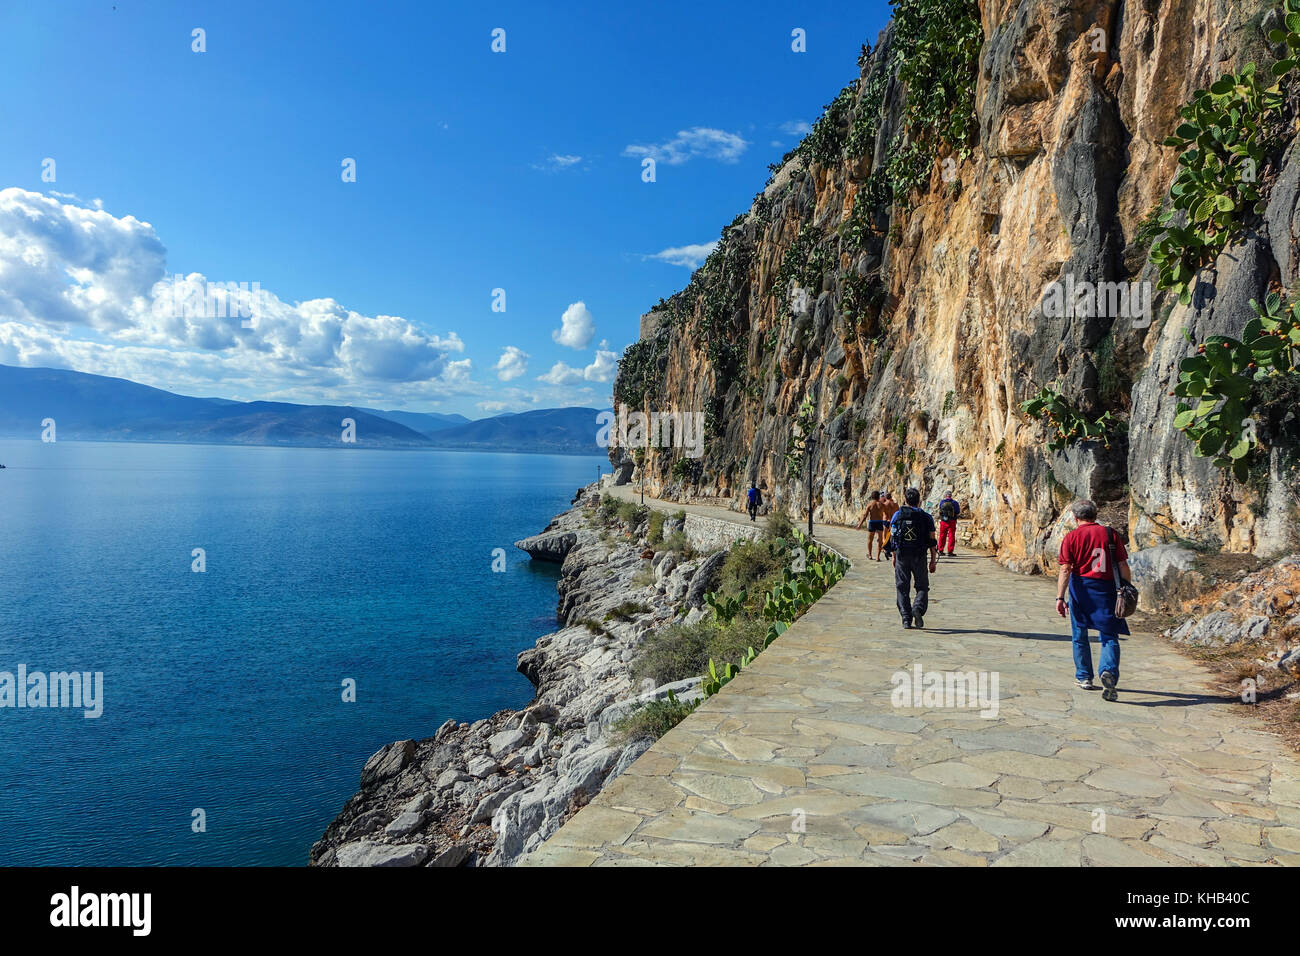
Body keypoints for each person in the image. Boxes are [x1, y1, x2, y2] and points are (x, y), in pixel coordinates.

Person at [1056, 498, 1131, 701]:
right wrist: (1125, 588)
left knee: (1079, 633)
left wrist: (1060, 597)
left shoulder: (1072, 537)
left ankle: (1084, 677)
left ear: (1074, 516)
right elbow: (1123, 564)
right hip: (1107, 589)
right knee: (1109, 635)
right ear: (1095, 514)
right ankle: (1109, 672)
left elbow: (1066, 569)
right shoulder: (1109, 534)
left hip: (1081, 589)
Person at [885, 488, 937, 628]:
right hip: (919, 555)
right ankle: (917, 608)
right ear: (919, 501)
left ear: (905, 500)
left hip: (902, 555)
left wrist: (894, 556)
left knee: (902, 587)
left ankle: (906, 619)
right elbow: (932, 541)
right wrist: (933, 560)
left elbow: (894, 538)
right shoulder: (926, 517)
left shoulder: (897, 515)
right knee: (922, 586)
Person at [856, 490, 889, 561]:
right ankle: (877, 557)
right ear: (878, 496)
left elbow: (865, 516)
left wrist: (859, 525)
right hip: (880, 522)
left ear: (872, 496)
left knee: (870, 540)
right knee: (880, 540)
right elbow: (887, 514)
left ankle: (870, 555)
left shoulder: (870, 504)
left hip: (872, 522)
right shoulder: (882, 505)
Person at [936, 492, 961, 557]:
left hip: (944, 521)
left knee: (942, 535)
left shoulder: (942, 502)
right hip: (952, 521)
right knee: (951, 536)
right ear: (951, 496)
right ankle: (950, 552)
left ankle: (940, 550)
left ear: (945, 496)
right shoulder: (955, 503)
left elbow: (940, 510)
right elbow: (958, 511)